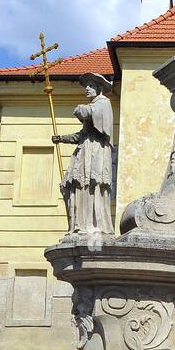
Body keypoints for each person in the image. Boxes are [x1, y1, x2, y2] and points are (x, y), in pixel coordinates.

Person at [53, 72, 115, 234]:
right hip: (85, 150)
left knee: (93, 184)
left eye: (91, 86)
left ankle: (95, 224)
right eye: (86, 86)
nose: (87, 89)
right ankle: (79, 223)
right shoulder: (94, 106)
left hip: (96, 151)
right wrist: (61, 138)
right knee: (78, 185)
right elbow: (81, 135)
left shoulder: (103, 103)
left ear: (99, 88)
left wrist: (80, 108)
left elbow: (86, 112)